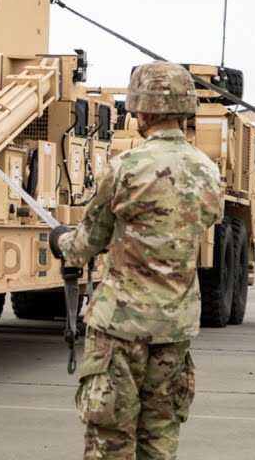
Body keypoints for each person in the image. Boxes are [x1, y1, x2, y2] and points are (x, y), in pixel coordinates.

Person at [49, 62, 222, 460]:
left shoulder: (125, 168)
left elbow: (86, 244)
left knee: (111, 440)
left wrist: (60, 240)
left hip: (119, 330)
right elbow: (202, 222)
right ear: (186, 109)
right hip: (175, 329)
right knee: (160, 437)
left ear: (140, 112)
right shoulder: (208, 172)